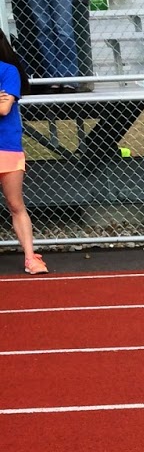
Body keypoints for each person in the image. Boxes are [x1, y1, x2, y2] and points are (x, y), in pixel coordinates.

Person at [0, 32, 46, 273]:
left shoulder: (8, 70)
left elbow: (5, 108)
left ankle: (31, 258)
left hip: (6, 147)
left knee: (15, 204)